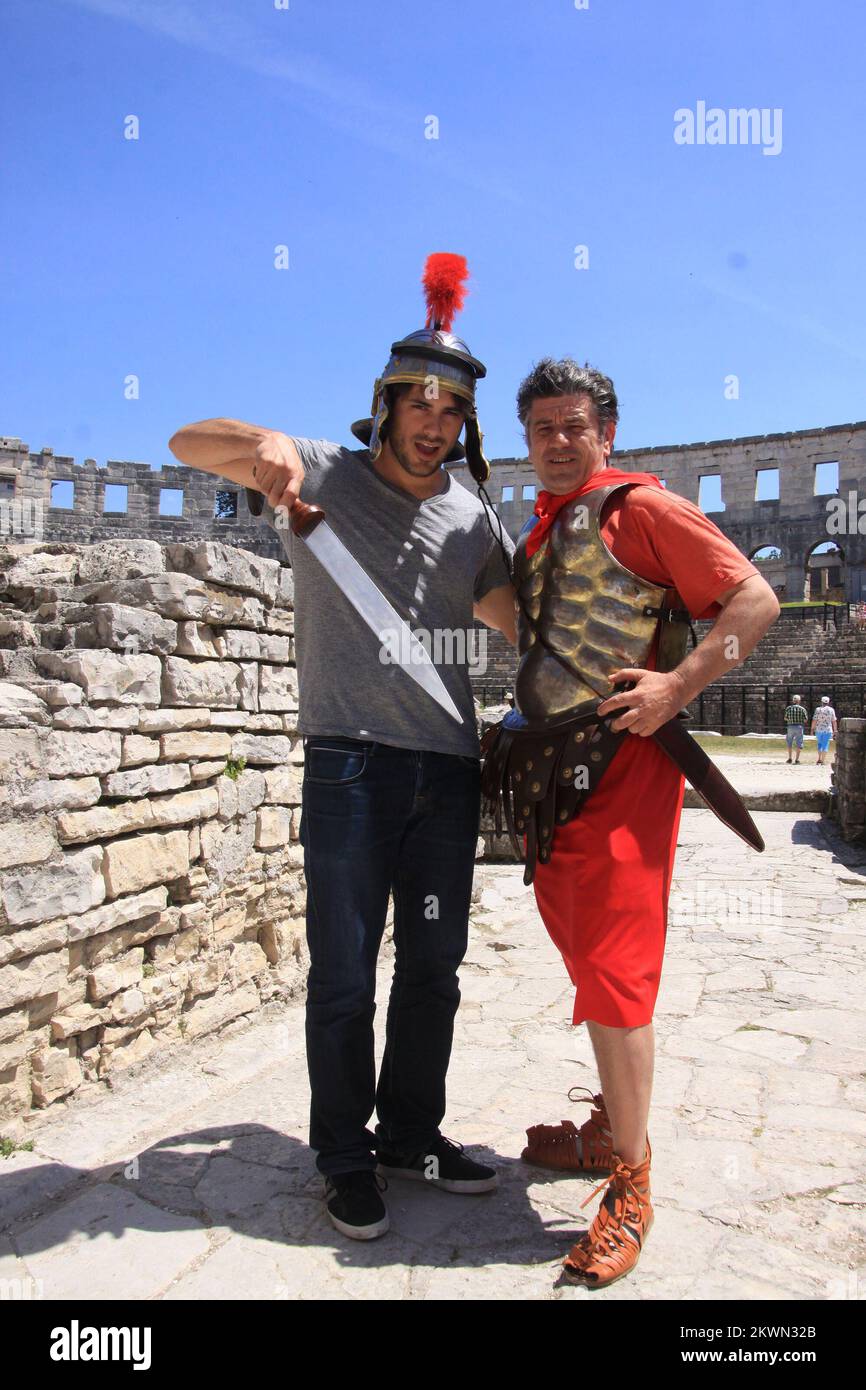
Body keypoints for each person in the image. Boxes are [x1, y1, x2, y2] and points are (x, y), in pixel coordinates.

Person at [169, 254, 517, 1241]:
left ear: (464, 424)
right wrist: (266, 443)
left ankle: (409, 1135)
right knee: (344, 976)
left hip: (447, 771)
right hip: (351, 767)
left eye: (452, 411)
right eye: (420, 403)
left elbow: (518, 626)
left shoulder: (472, 515)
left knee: (433, 970)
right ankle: (343, 1155)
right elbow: (186, 440)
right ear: (386, 404)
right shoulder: (321, 470)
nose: (434, 423)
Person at [481, 358, 779, 1289]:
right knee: (585, 954)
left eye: (575, 425)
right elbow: (537, 635)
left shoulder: (642, 510)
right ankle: (613, 1123)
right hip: (553, 774)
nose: (559, 441)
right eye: (543, 428)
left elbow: (756, 601)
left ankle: (634, 1182)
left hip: (625, 766)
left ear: (606, 432)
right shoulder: (539, 533)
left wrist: (677, 686)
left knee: (615, 970)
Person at [811, 695, 837, 765]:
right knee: (825, 745)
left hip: (819, 729)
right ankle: (823, 760)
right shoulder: (831, 710)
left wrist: (812, 729)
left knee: (819, 744)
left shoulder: (818, 709)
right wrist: (835, 730)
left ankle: (819, 758)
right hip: (828, 730)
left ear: (821, 702)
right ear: (828, 702)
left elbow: (814, 720)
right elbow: (834, 721)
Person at [784, 694, 808, 763]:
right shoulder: (802, 709)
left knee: (789, 742)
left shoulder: (788, 708)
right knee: (799, 743)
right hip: (799, 727)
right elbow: (805, 719)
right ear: (799, 701)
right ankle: (797, 759)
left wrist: (790, 720)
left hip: (790, 727)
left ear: (793, 701)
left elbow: (785, 718)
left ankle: (790, 758)